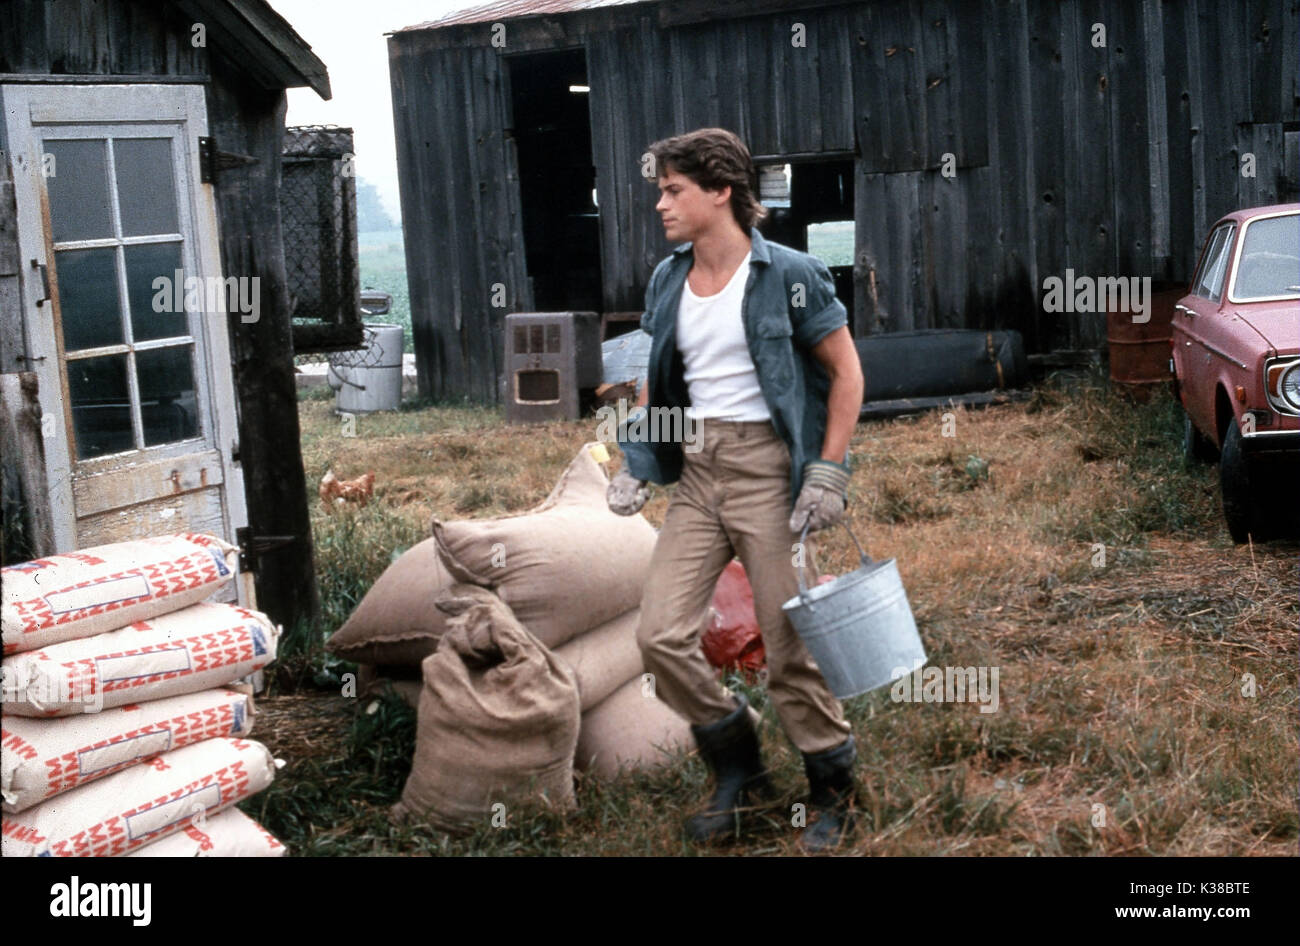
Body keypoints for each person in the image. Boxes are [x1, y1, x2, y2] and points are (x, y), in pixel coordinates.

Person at [606, 128, 865, 852]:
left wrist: (827, 471)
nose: (660, 203)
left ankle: (833, 789)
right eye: (661, 190)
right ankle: (742, 770)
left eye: (672, 190)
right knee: (658, 635)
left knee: (788, 647)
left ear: (721, 190)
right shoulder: (667, 279)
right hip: (696, 471)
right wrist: (638, 459)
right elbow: (659, 377)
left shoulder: (791, 274)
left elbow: (846, 373)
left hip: (767, 470)